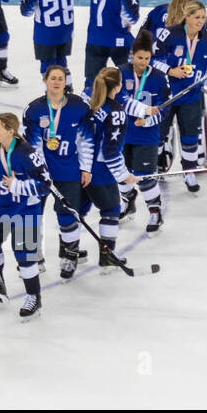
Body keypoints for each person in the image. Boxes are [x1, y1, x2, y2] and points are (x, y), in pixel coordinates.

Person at [0, 111, 49, 318]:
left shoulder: (27, 153)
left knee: (24, 255)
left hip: (26, 209)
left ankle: (34, 297)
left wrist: (17, 185)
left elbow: (45, 185)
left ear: (10, 131)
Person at [151, 0, 207, 194]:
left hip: (191, 98)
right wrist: (170, 70)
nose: (201, 21)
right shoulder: (168, 34)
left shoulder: (206, 43)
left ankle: (189, 172)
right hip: (166, 97)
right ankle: (152, 170)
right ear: (187, 17)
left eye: (203, 18)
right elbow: (152, 61)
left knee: (190, 138)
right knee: (158, 136)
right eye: (197, 17)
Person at [22, 65, 91, 279]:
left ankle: (69, 257)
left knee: (68, 215)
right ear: (45, 80)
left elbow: (85, 141)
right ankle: (35, 256)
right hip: (38, 174)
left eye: (60, 78)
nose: (57, 82)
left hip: (68, 170)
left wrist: (86, 168)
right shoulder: (33, 109)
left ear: (65, 82)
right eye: (53, 78)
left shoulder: (79, 107)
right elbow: (32, 146)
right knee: (32, 214)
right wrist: (42, 172)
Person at [81, 67, 133, 271]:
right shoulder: (116, 112)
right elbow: (110, 152)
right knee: (111, 210)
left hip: (78, 168)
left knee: (78, 212)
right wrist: (124, 175)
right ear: (118, 86)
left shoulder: (88, 104)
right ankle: (107, 255)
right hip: (100, 171)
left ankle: (69, 254)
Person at [118, 32, 168, 232]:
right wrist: (141, 111)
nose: (143, 62)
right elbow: (118, 100)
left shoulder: (158, 77)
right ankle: (128, 202)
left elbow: (164, 108)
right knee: (122, 174)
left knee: (145, 176)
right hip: (121, 134)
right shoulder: (120, 73)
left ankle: (155, 212)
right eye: (140, 58)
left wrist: (148, 121)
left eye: (147, 58)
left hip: (146, 137)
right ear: (132, 55)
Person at [83, 0, 140, 93]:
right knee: (128, 79)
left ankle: (89, 109)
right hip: (118, 41)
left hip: (95, 39)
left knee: (91, 82)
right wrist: (126, 22)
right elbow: (132, 17)